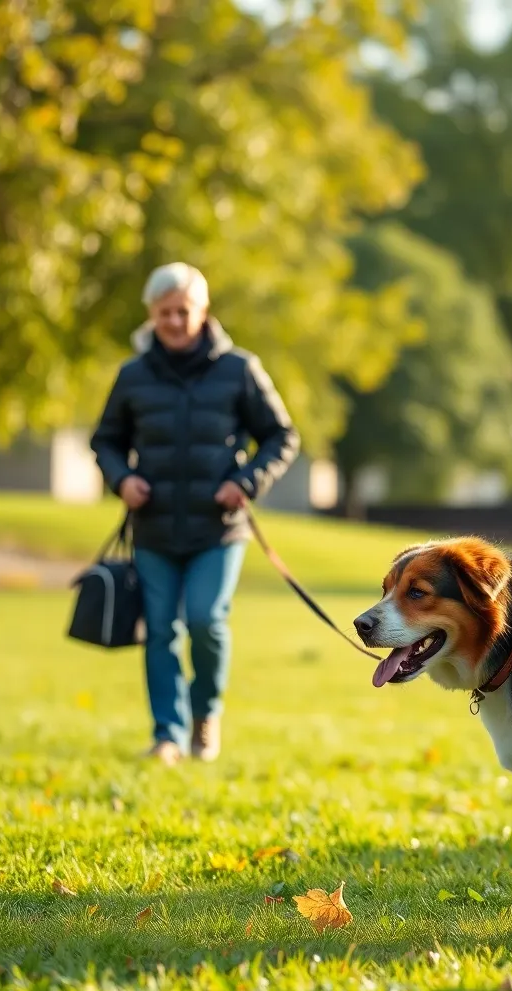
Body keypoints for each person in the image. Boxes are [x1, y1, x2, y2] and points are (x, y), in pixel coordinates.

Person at [91, 263, 300, 765]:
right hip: (154, 528)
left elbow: (281, 436)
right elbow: (105, 440)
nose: (174, 321)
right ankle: (167, 734)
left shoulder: (239, 369)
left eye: (183, 310)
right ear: (151, 315)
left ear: (203, 311)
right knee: (161, 631)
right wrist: (122, 479)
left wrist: (245, 482)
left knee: (206, 621)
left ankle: (205, 717)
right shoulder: (132, 375)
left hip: (218, 530)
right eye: (164, 312)